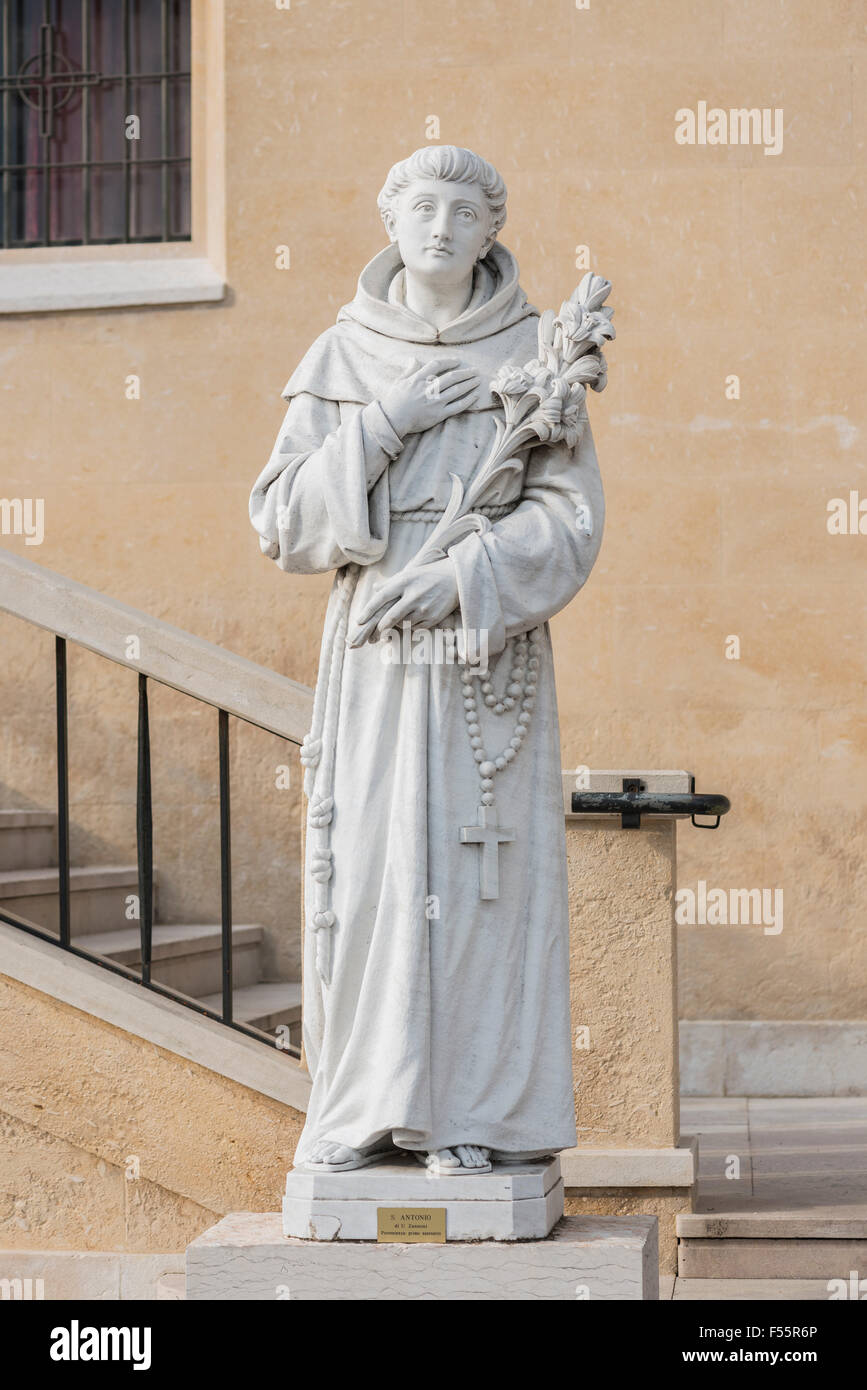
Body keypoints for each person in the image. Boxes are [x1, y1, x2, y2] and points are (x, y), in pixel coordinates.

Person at [249, 146, 604, 1175]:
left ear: (493, 230)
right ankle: (364, 1108)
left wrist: (466, 575)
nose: (441, 227)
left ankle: (474, 1117)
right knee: (368, 872)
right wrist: (387, 427)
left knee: (483, 882)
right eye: (422, 207)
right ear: (390, 221)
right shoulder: (342, 354)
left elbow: (572, 519)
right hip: (371, 651)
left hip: (482, 652)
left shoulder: (538, 353)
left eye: (464, 210)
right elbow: (281, 521)